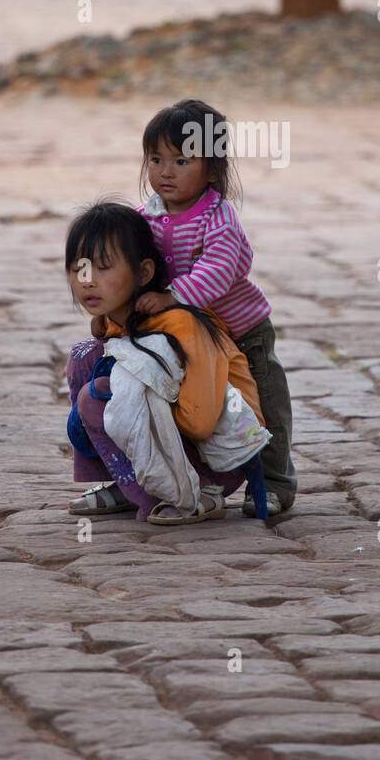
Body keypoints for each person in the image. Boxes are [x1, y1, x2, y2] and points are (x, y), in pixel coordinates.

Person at [127, 98, 297, 517]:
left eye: (182, 160)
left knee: (265, 403)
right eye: (156, 158)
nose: (165, 171)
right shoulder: (145, 218)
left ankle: (275, 482)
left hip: (243, 331)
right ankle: (172, 478)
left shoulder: (217, 218)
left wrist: (172, 297)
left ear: (213, 169)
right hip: (187, 336)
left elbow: (218, 271)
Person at [65, 202, 269, 526]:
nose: (88, 281)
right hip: (177, 444)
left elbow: (200, 422)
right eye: (79, 268)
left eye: (104, 267)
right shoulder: (117, 320)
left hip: (221, 455)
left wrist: (141, 407)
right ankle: (124, 481)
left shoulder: (179, 323)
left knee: (97, 397)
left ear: (144, 272)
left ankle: (185, 493)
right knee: (84, 356)